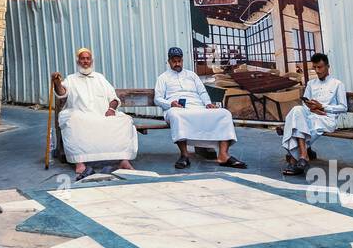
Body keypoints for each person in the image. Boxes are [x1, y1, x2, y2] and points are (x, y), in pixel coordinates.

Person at [52, 48, 139, 180]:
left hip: (102, 115)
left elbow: (114, 98)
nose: (85, 61)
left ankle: (123, 160)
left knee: (125, 121)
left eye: (88, 59)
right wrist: (57, 82)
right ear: (78, 61)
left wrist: (111, 109)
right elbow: (61, 93)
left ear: (91, 61)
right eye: (82, 58)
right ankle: (80, 162)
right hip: (81, 115)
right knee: (73, 121)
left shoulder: (100, 78)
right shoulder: (71, 79)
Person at [155, 47, 247, 170]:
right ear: (169, 61)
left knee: (224, 114)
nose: (177, 63)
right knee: (176, 116)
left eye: (179, 61)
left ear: (182, 60)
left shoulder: (192, 75)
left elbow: (202, 92)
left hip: (198, 107)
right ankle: (184, 155)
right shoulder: (163, 78)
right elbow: (158, 98)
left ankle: (223, 155)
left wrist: (208, 103)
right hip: (177, 108)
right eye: (174, 61)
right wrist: (171, 104)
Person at [280, 52, 347, 175]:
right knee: (297, 110)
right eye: (315, 67)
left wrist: (323, 107)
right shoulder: (311, 84)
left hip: (327, 118)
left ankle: (295, 159)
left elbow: (343, 107)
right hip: (312, 115)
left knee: (297, 125)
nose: (317, 70)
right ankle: (303, 156)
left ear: (327, 66)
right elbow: (305, 103)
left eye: (320, 67)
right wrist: (312, 108)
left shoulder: (337, 84)